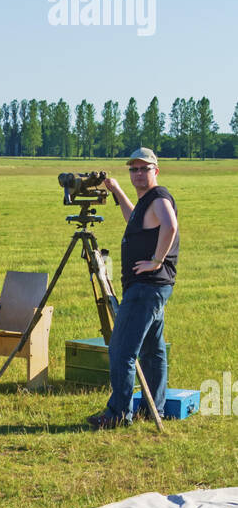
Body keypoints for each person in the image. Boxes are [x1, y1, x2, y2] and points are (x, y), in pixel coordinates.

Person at [89, 148, 180, 430]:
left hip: (146, 287)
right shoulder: (145, 202)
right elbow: (133, 220)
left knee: (121, 349)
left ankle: (118, 413)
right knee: (153, 351)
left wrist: (156, 260)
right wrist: (115, 189)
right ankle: (155, 408)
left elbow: (170, 225)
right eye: (134, 169)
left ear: (156, 170)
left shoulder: (159, 196)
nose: (138, 173)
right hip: (152, 288)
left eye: (144, 168)